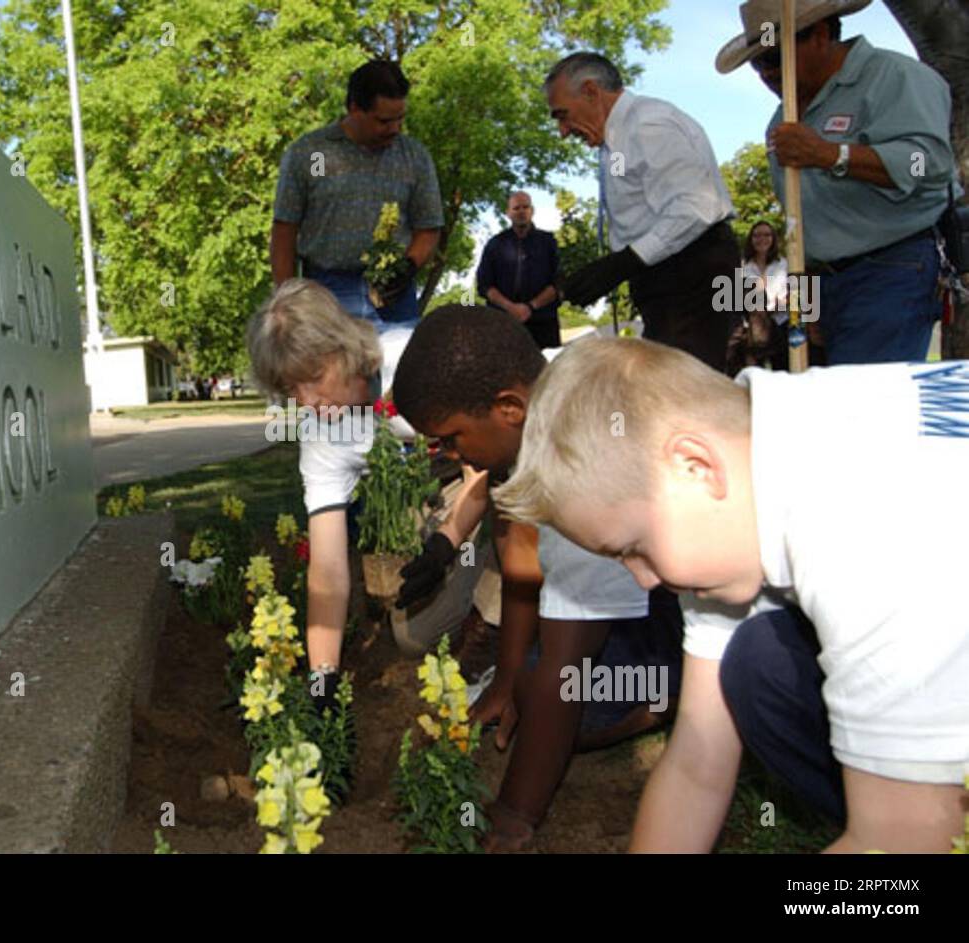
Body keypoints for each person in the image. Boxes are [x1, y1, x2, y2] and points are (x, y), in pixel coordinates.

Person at [492, 336, 969, 853]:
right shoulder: (769, 445)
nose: (644, 580)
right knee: (759, 663)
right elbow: (698, 762)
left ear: (695, 467)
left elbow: (902, 847)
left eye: (634, 548)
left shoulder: (866, 530)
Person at [393, 307, 681, 852]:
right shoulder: (545, 392)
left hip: (687, 616)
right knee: (525, 685)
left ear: (507, 408)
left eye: (452, 439)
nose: (452, 457)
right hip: (643, 594)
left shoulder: (580, 460)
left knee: (563, 700)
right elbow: (522, 562)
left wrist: (513, 815)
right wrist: (504, 681)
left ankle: (670, 697)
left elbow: (567, 662)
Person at [245, 279, 499, 699]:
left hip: (498, 471)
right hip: (436, 492)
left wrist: (447, 541)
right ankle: (490, 590)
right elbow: (326, 567)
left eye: (312, 377)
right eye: (291, 389)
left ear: (342, 349)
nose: (307, 401)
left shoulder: (417, 358)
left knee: (518, 502)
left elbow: (501, 452)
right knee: (415, 637)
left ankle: (506, 622)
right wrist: (321, 678)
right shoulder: (320, 430)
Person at [716, 0, 955, 365]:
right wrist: (809, 297)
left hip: (891, 269)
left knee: (867, 402)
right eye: (758, 62)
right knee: (832, 403)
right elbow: (805, 217)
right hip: (824, 283)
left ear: (821, 35)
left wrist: (832, 155)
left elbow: (929, 164)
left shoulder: (895, 76)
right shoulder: (784, 117)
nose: (768, 72)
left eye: (776, 57)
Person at [548, 52, 738, 372]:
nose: (563, 131)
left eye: (563, 115)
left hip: (693, 276)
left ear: (592, 92)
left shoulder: (649, 123)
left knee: (685, 394)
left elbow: (695, 207)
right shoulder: (617, 139)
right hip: (666, 281)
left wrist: (622, 264)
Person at [270, 61, 443, 327]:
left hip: (394, 297)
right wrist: (285, 302)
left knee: (400, 369)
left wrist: (407, 268)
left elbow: (428, 228)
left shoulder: (414, 157)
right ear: (354, 108)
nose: (395, 128)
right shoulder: (314, 153)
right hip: (325, 295)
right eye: (384, 120)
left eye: (401, 118)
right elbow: (285, 229)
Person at [476, 192, 562, 349]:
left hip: (543, 324)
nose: (521, 211)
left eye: (525, 207)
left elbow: (558, 282)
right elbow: (484, 285)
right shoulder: (495, 245)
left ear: (532, 210)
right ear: (508, 212)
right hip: (503, 324)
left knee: (547, 371)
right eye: (516, 208)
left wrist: (530, 307)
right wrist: (511, 308)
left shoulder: (548, 242)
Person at [731, 220, 790, 371]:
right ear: (751, 239)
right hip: (753, 329)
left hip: (781, 324)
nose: (762, 239)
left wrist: (783, 304)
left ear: (773, 238)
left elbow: (796, 294)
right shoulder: (742, 266)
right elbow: (736, 300)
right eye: (757, 235)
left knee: (782, 371)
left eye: (766, 235)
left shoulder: (785, 264)